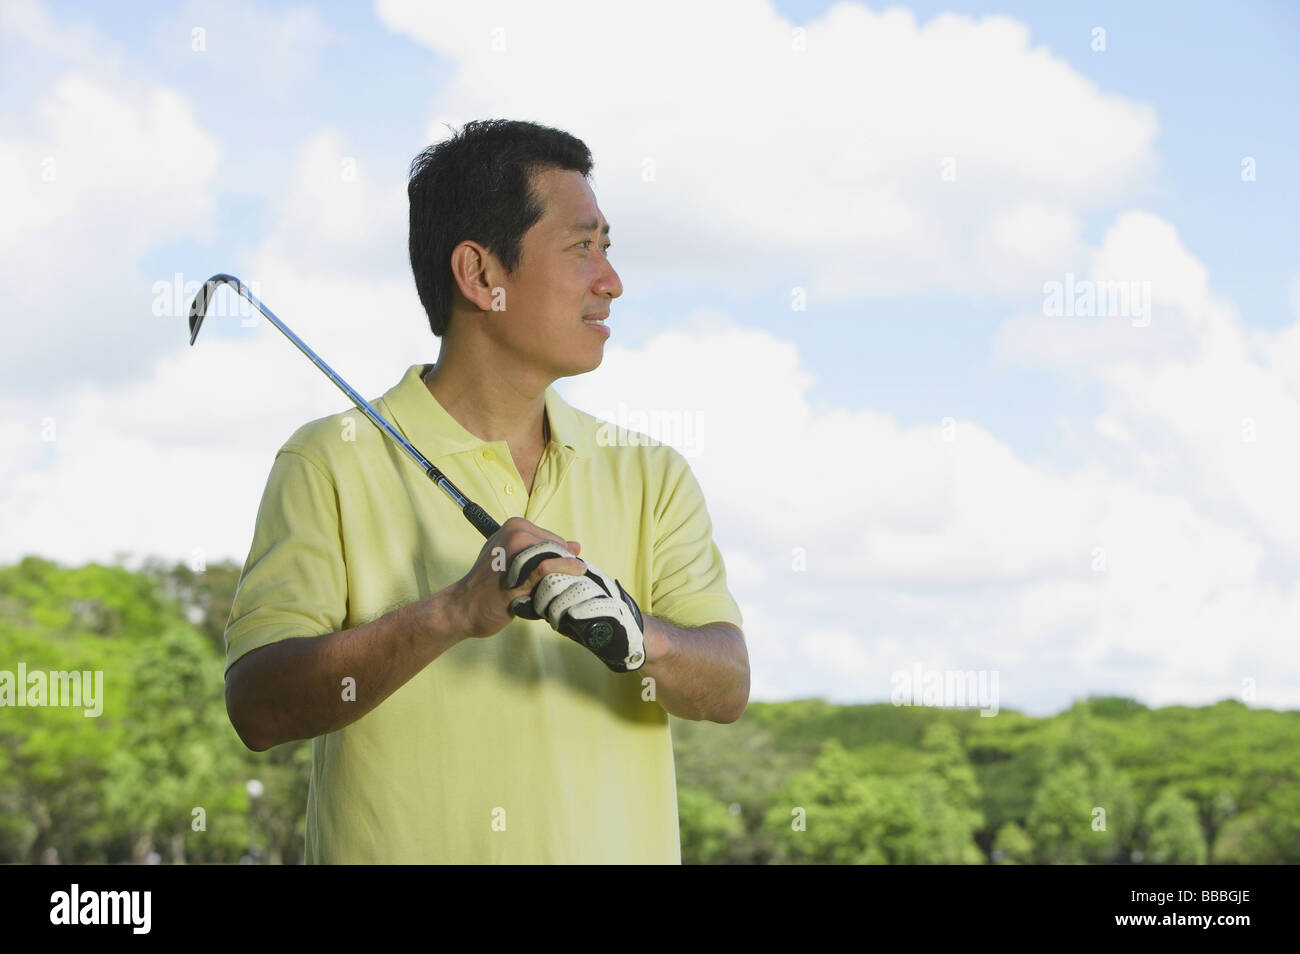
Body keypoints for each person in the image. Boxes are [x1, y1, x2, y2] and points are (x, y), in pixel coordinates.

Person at [222, 119, 749, 863]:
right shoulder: (327, 460)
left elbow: (727, 688)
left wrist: (643, 637)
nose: (612, 280)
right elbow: (259, 709)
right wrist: (453, 612)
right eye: (581, 247)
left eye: (608, 247)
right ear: (481, 276)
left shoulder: (652, 472)